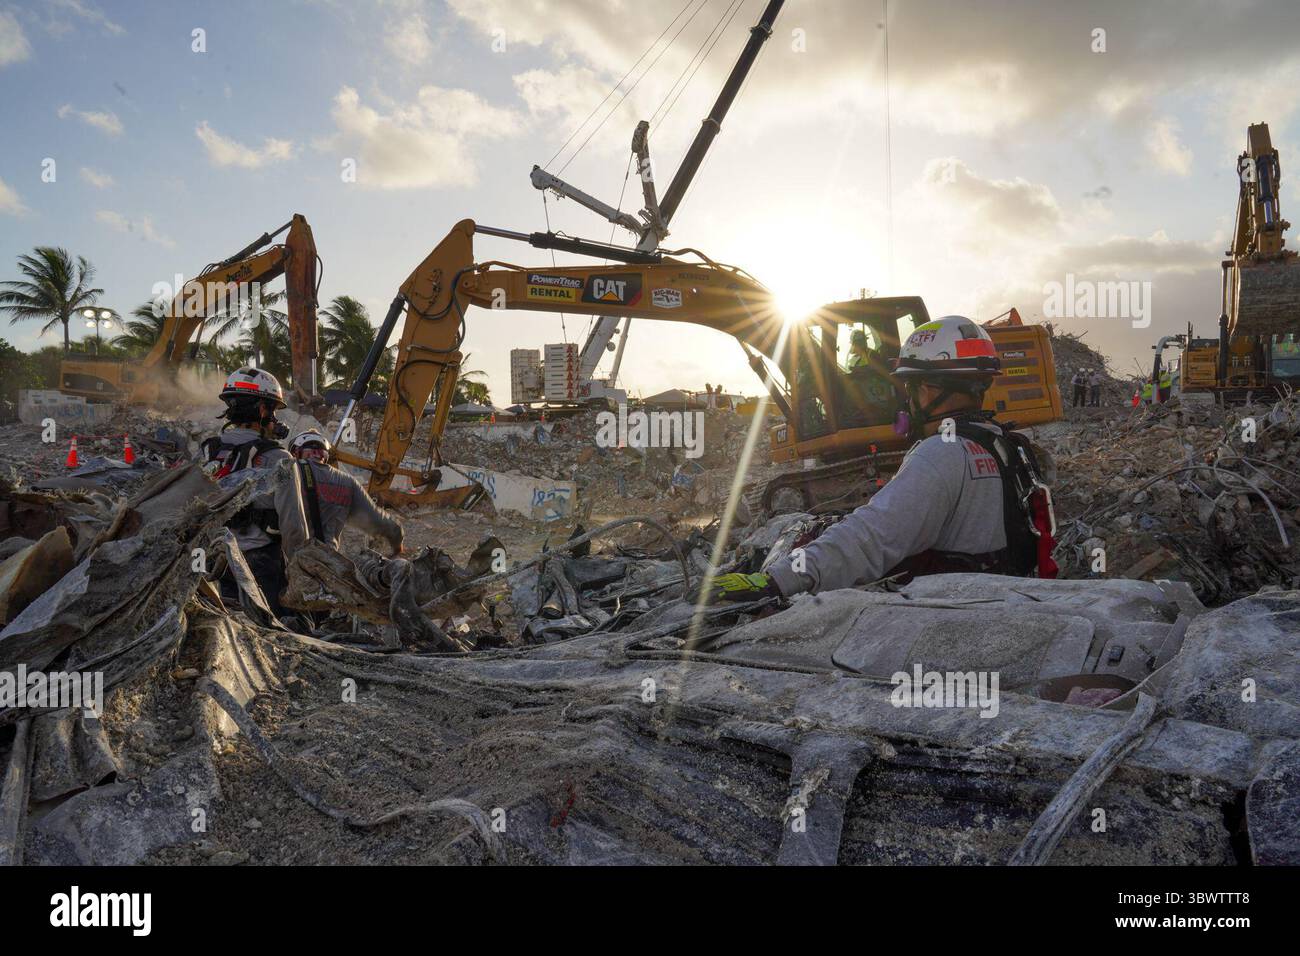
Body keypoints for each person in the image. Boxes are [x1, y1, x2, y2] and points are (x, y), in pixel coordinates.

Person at [709, 316, 1056, 602]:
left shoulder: (940, 452)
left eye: (911, 387)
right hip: (1005, 596)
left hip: (956, 611)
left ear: (932, 388)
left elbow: (871, 537)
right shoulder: (1007, 444)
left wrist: (777, 580)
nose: (907, 399)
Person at [200, 368, 293, 614]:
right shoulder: (278, 458)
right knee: (267, 635)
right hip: (258, 565)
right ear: (263, 410)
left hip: (209, 561)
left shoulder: (207, 451)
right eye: (272, 411)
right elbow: (295, 525)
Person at [276, 430, 404, 559]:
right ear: (324, 455)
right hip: (329, 563)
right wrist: (397, 541)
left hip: (292, 560)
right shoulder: (347, 482)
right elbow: (377, 521)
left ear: (296, 452)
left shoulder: (288, 471)